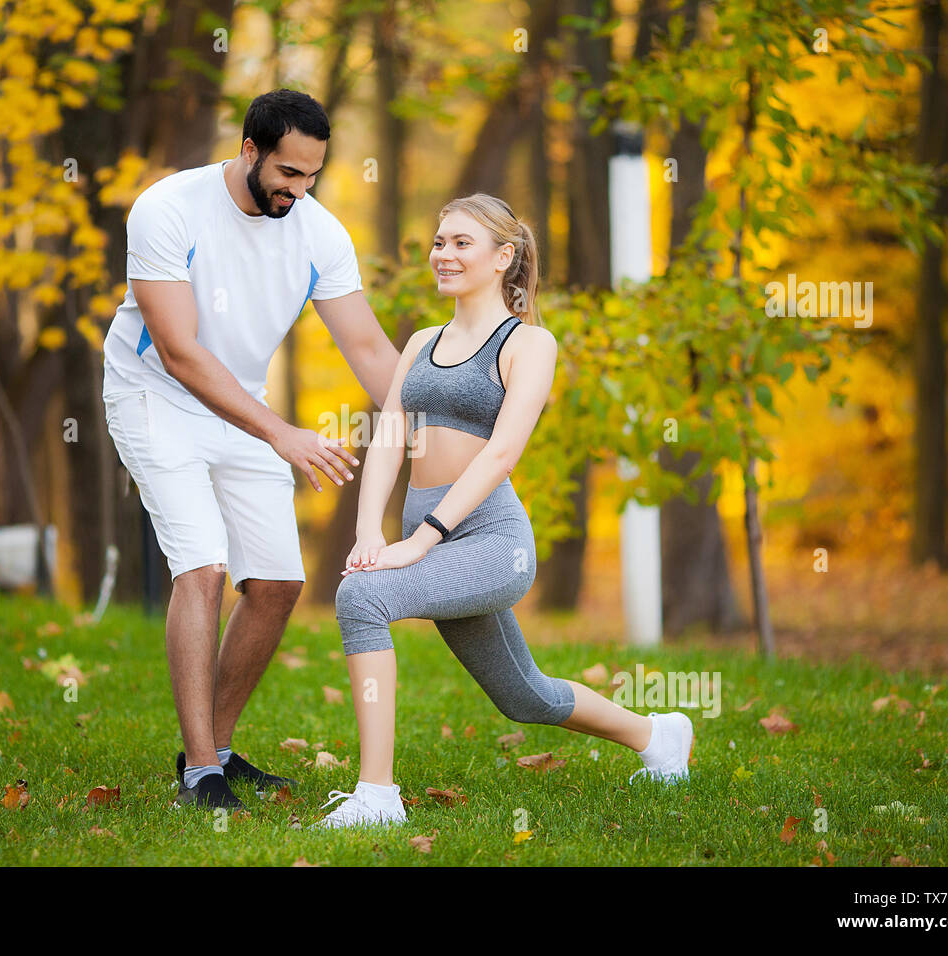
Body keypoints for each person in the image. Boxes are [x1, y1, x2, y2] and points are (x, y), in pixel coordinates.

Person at [316, 194, 695, 828]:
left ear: (504, 257)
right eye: (439, 242)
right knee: (525, 696)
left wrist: (424, 540)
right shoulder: (420, 341)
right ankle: (659, 737)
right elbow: (389, 436)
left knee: (361, 599)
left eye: (462, 243)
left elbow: (500, 455)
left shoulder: (530, 343)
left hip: (491, 542)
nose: (443, 254)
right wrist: (368, 531)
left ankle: (376, 797)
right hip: (425, 537)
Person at [101, 90, 401, 809]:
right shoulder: (167, 208)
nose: (297, 191)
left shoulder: (320, 234)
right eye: (287, 174)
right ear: (249, 150)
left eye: (311, 177)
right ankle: (201, 776)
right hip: (155, 398)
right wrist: (282, 432)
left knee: (276, 584)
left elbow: (366, 347)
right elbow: (177, 351)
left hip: (242, 406)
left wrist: (446, 414)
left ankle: (218, 748)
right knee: (203, 569)